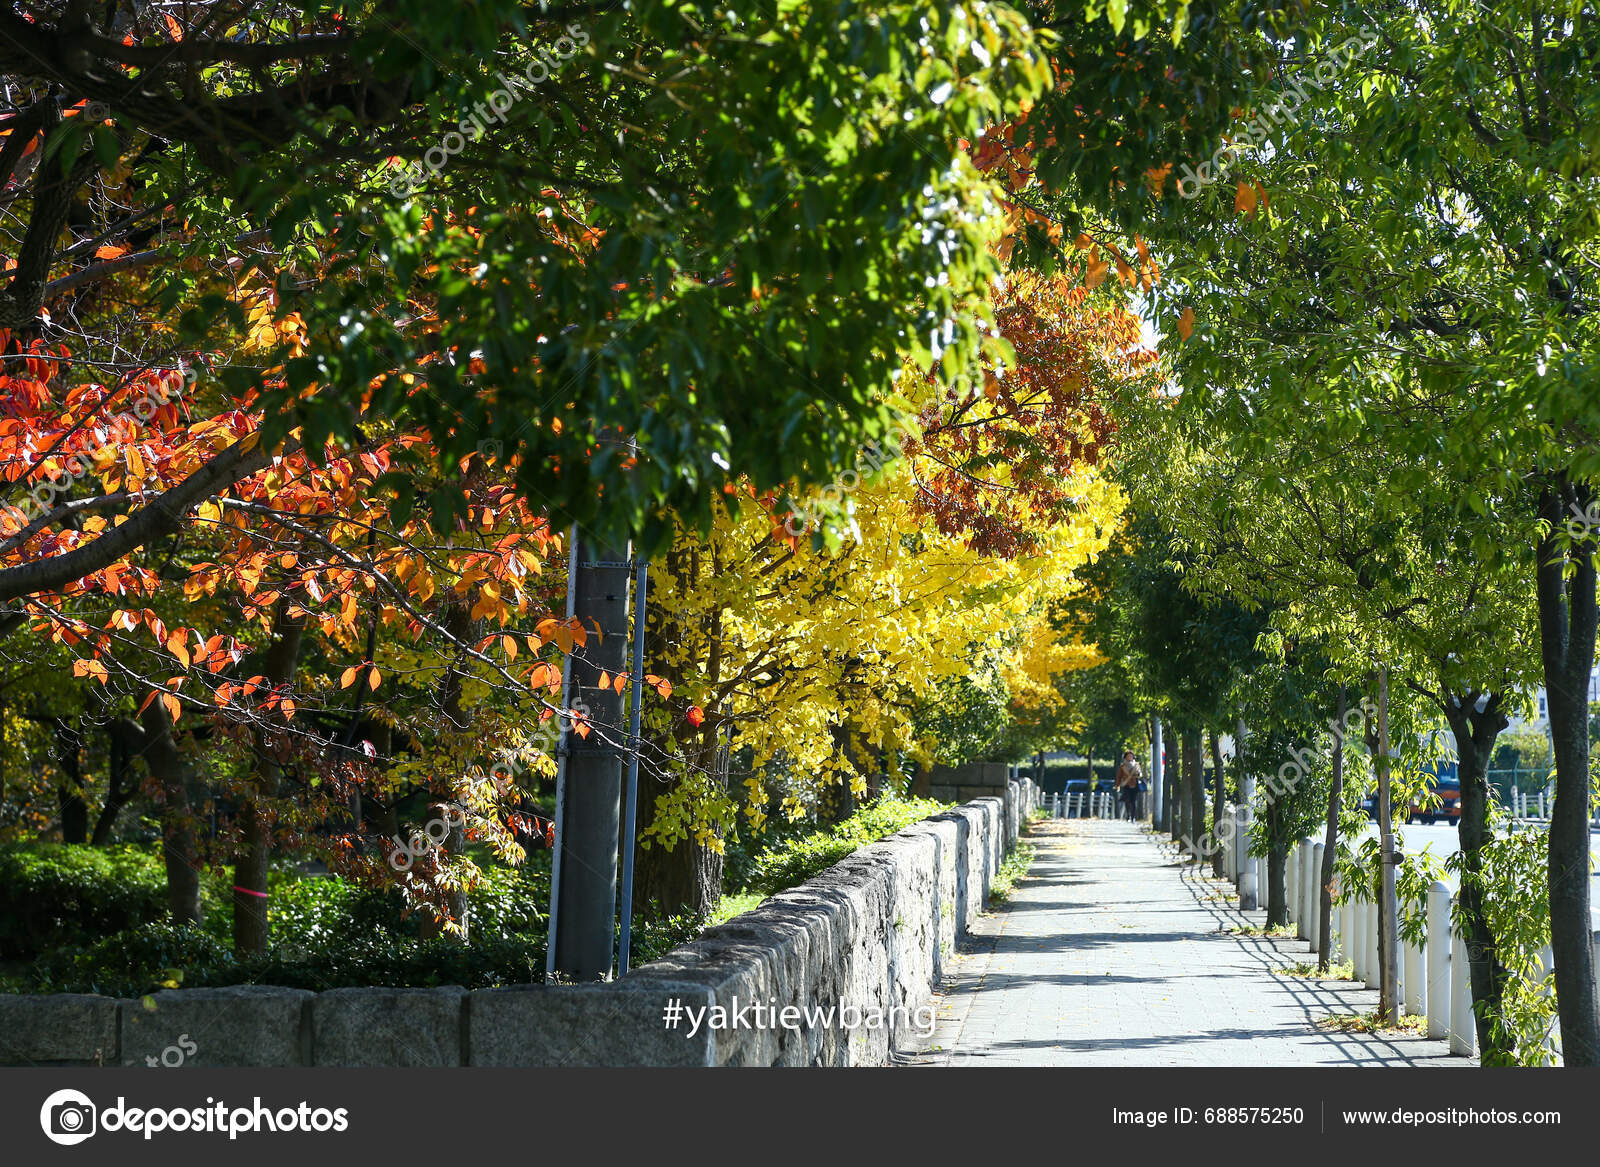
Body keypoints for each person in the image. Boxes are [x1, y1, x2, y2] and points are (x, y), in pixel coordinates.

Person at [1115, 749, 1143, 821]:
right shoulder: (1123, 766)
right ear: (1125, 757)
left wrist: (1137, 774)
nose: (1130, 757)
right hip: (1126, 784)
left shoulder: (1136, 765)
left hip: (1135, 784)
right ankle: (1128, 815)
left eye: (1131, 756)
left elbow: (1140, 773)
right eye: (1128, 756)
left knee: (1133, 801)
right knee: (1127, 800)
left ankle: (1133, 817)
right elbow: (1119, 776)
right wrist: (1117, 785)